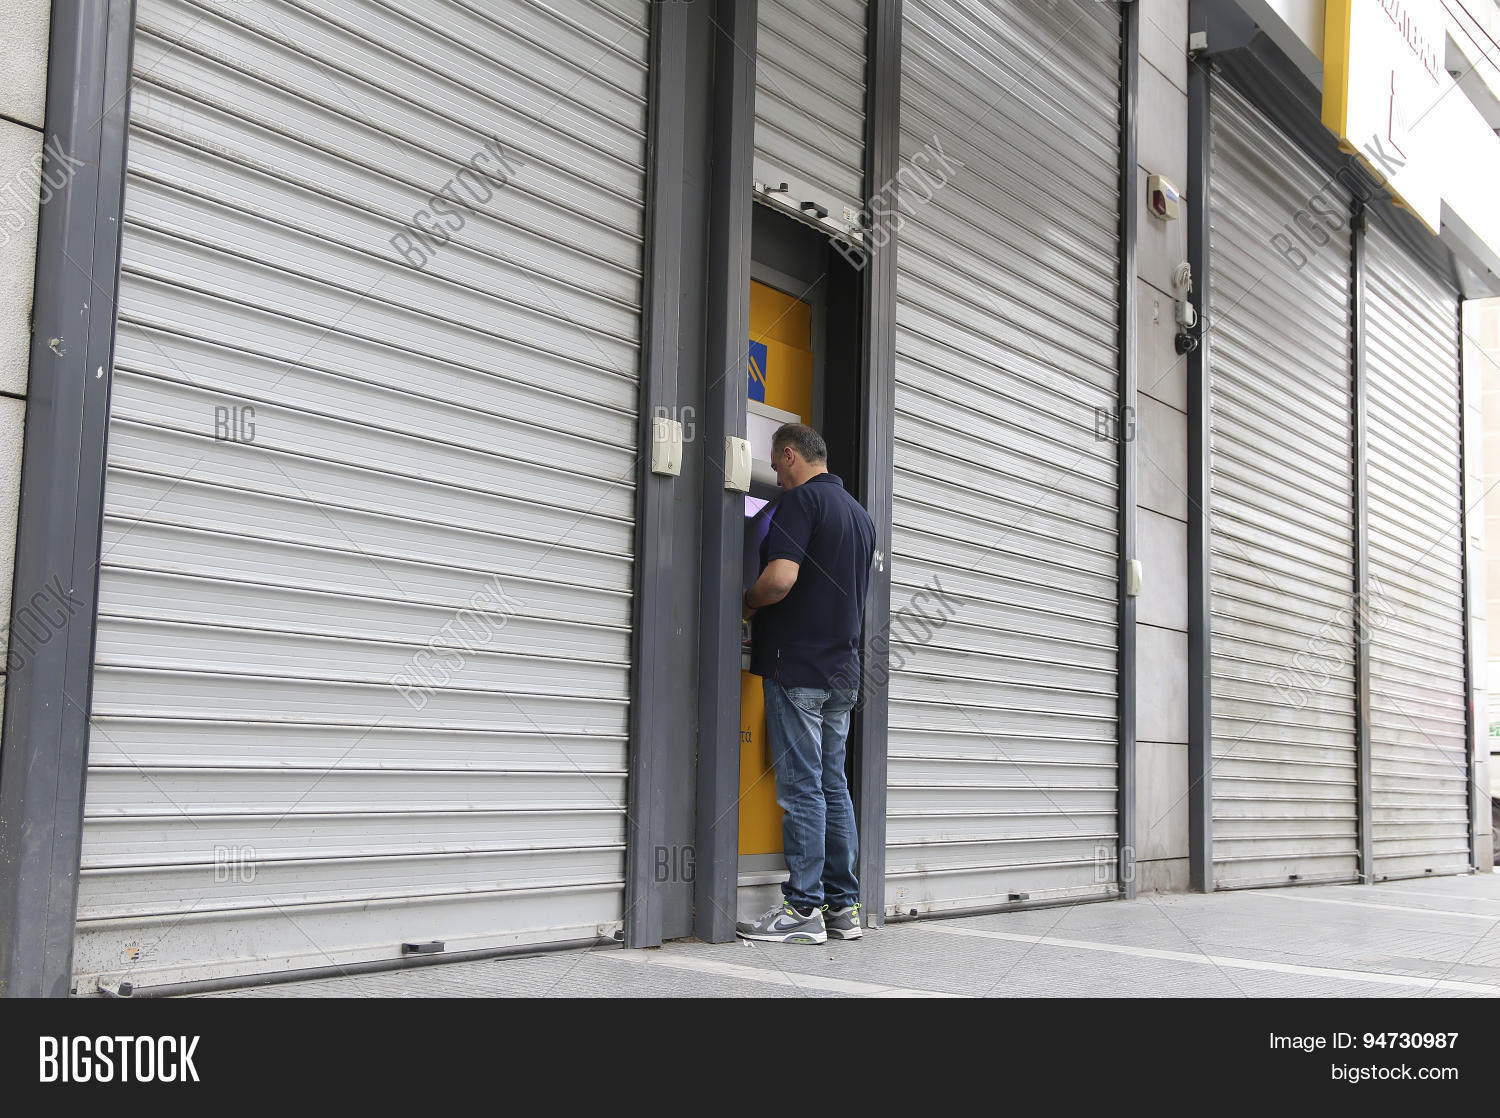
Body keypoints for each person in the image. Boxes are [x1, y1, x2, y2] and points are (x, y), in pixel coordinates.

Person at [737, 423, 877, 945]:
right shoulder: (860, 516)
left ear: (791, 455)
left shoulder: (799, 503)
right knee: (832, 786)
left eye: (775, 466)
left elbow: (780, 579)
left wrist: (746, 602)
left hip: (796, 667)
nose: (775, 476)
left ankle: (802, 910)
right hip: (842, 670)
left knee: (802, 789)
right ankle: (844, 909)